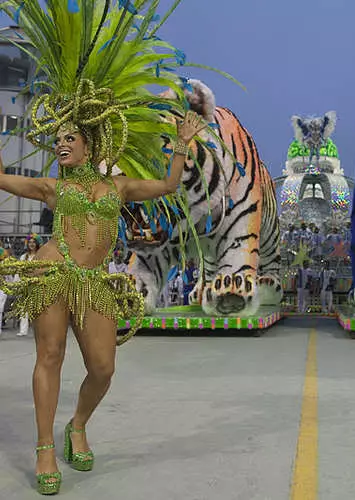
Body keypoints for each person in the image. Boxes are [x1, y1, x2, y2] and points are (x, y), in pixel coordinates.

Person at [0, 2, 209, 495]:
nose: (61, 146)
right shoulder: (52, 187)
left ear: (91, 146)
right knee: (48, 356)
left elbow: (168, 186)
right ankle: (45, 448)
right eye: (57, 140)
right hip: (54, 273)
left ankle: (77, 425)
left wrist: (181, 142)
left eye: (69, 139)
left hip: (95, 284)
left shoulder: (119, 189)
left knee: (102, 367)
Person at [17, 233, 43, 336]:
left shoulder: (41, 256)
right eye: (30, 242)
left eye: (33, 242)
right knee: (24, 308)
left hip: (37, 284)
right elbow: (19, 271)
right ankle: (23, 331)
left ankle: (40, 330)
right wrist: (18, 284)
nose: (31, 244)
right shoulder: (23, 257)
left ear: (37, 244)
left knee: (38, 309)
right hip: (25, 284)